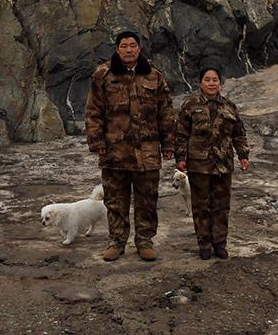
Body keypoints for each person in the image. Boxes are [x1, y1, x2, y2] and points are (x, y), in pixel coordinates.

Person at [85, 31, 175, 262]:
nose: (128, 50)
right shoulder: (103, 76)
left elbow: (165, 112)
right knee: (115, 200)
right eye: (123, 46)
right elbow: (93, 112)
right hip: (114, 152)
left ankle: (144, 240)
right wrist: (97, 143)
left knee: (147, 199)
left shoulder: (154, 76)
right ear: (117, 49)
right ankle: (116, 241)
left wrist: (168, 143)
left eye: (132, 45)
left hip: (147, 152)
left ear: (139, 49)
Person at [174, 67, 250, 260]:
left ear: (220, 83)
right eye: (207, 80)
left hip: (223, 164)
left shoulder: (230, 107)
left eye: (214, 79)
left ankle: (219, 243)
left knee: (221, 206)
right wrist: (181, 159)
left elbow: (239, 134)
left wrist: (243, 155)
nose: (211, 83)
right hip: (199, 165)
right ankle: (204, 244)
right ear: (201, 83)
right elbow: (181, 134)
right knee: (201, 206)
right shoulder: (190, 105)